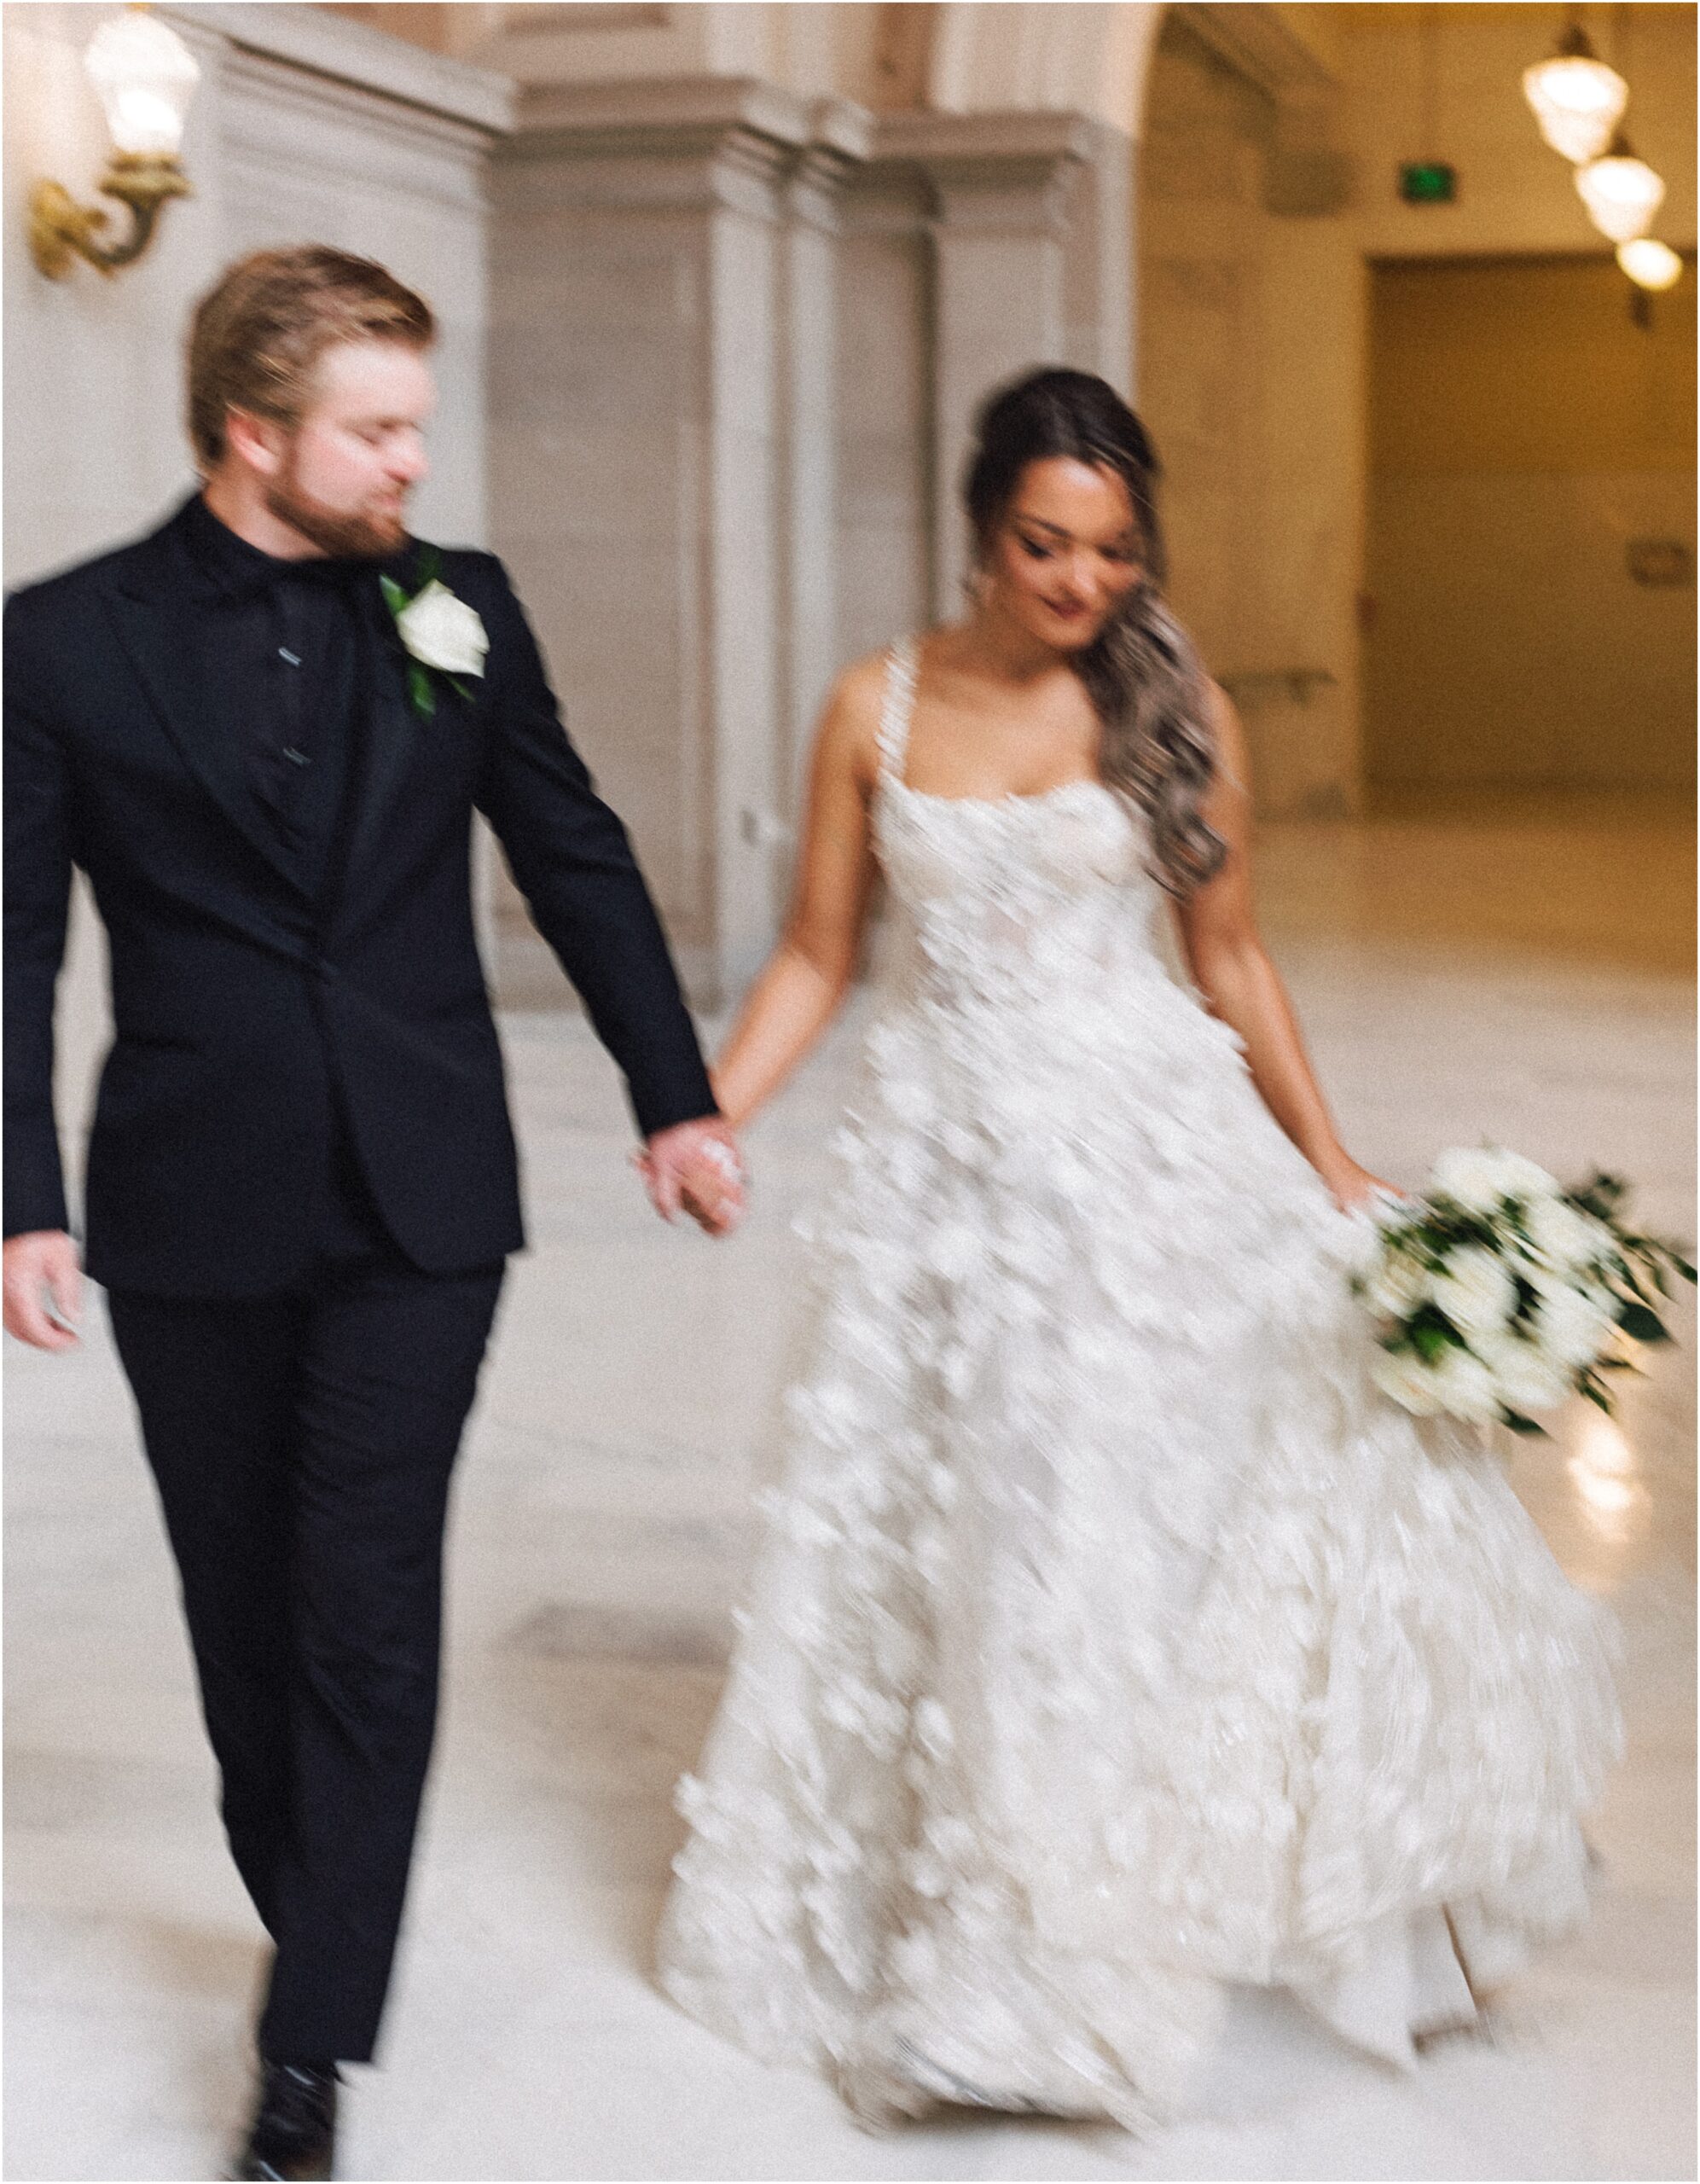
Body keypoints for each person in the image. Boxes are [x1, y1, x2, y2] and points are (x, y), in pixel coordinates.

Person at [655, 368, 1619, 2133]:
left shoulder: (1175, 702)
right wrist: (703, 1107)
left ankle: (1087, 1940)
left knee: (1105, 1539)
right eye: (1042, 542)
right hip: (944, 1197)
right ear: (976, 531)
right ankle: (979, 1938)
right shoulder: (870, 707)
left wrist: (1327, 1160)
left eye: (1108, 547)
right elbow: (814, 950)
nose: (1078, 580)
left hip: (1148, 1173)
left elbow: (1229, 956)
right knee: (966, 1544)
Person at [3, 245, 744, 2182]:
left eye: (418, 423)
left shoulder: (460, 607)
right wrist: (23, 1195)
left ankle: (310, 2043)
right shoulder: (61, 641)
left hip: (424, 1193)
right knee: (244, 1612)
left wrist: (674, 1094)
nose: (417, 460)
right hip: (189, 1199)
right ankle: (311, 1902)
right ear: (258, 433)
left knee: (364, 1602)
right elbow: (8, 947)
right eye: (379, 428)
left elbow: (573, 850)